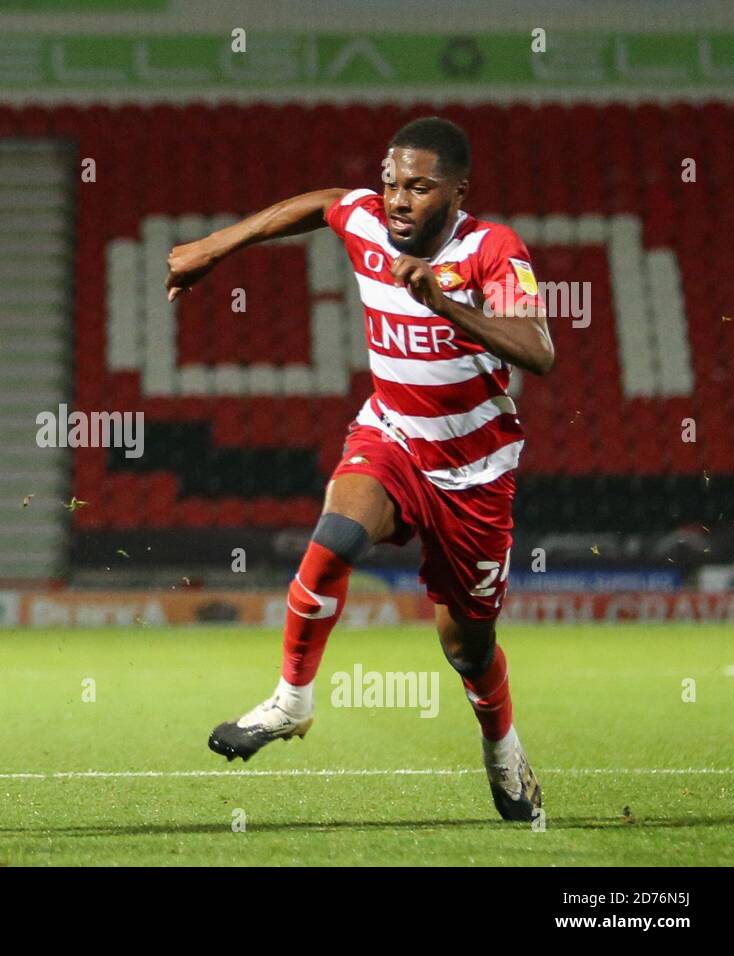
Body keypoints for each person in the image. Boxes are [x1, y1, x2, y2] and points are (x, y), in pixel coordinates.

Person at [164, 116, 552, 821]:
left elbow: (538, 348)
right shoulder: (367, 221)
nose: (398, 200)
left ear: (459, 193)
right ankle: (291, 700)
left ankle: (502, 749)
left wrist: (444, 303)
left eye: (420, 188)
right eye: (391, 182)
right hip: (393, 436)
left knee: (467, 647)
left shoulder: (493, 250)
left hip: (473, 472)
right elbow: (320, 203)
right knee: (335, 540)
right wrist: (217, 248)